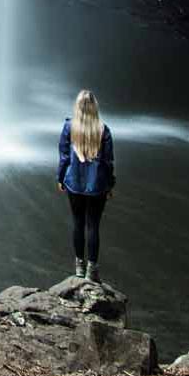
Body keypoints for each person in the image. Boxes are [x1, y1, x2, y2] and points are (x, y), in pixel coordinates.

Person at [57, 88, 115, 281]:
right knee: (93, 226)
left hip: (74, 182)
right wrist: (110, 185)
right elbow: (108, 162)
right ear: (94, 108)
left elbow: (64, 156)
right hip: (97, 185)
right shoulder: (103, 129)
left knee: (78, 223)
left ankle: (78, 268)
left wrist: (60, 178)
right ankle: (92, 270)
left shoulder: (69, 127)